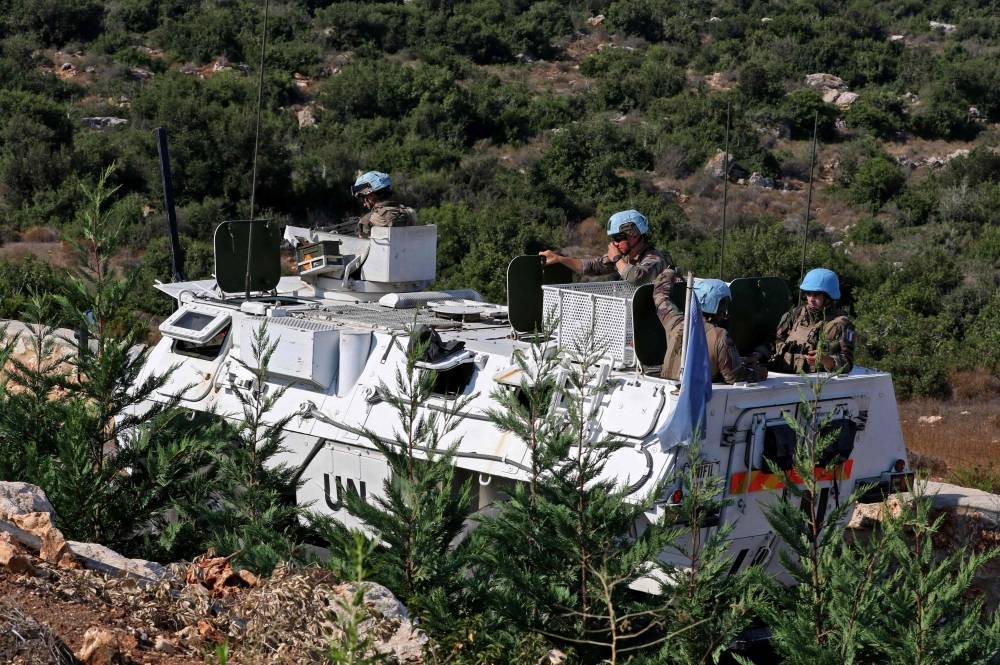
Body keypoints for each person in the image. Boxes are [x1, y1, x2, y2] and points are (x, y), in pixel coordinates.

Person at [654, 274, 767, 384]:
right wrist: (758, 373)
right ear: (716, 304)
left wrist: (668, 273)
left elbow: (660, 297)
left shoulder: (675, 323)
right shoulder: (720, 336)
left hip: (666, 387)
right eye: (724, 303)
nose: (726, 309)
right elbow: (734, 376)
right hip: (697, 394)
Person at [538, 210, 671, 286]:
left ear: (634, 235)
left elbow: (637, 278)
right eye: (613, 239)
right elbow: (591, 267)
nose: (614, 244)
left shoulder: (655, 258)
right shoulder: (625, 259)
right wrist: (560, 259)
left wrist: (617, 259)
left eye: (618, 238)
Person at [770, 268, 855, 374]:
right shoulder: (796, 314)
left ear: (828, 297)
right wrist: (759, 354)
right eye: (809, 294)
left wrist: (825, 360)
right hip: (782, 375)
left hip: (814, 380)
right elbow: (774, 341)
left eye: (816, 295)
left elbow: (847, 364)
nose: (811, 299)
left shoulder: (842, 324)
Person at [352, 171, 418, 238]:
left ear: (371, 195)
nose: (364, 204)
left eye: (364, 199)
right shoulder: (409, 212)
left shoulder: (375, 218)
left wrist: (362, 222)